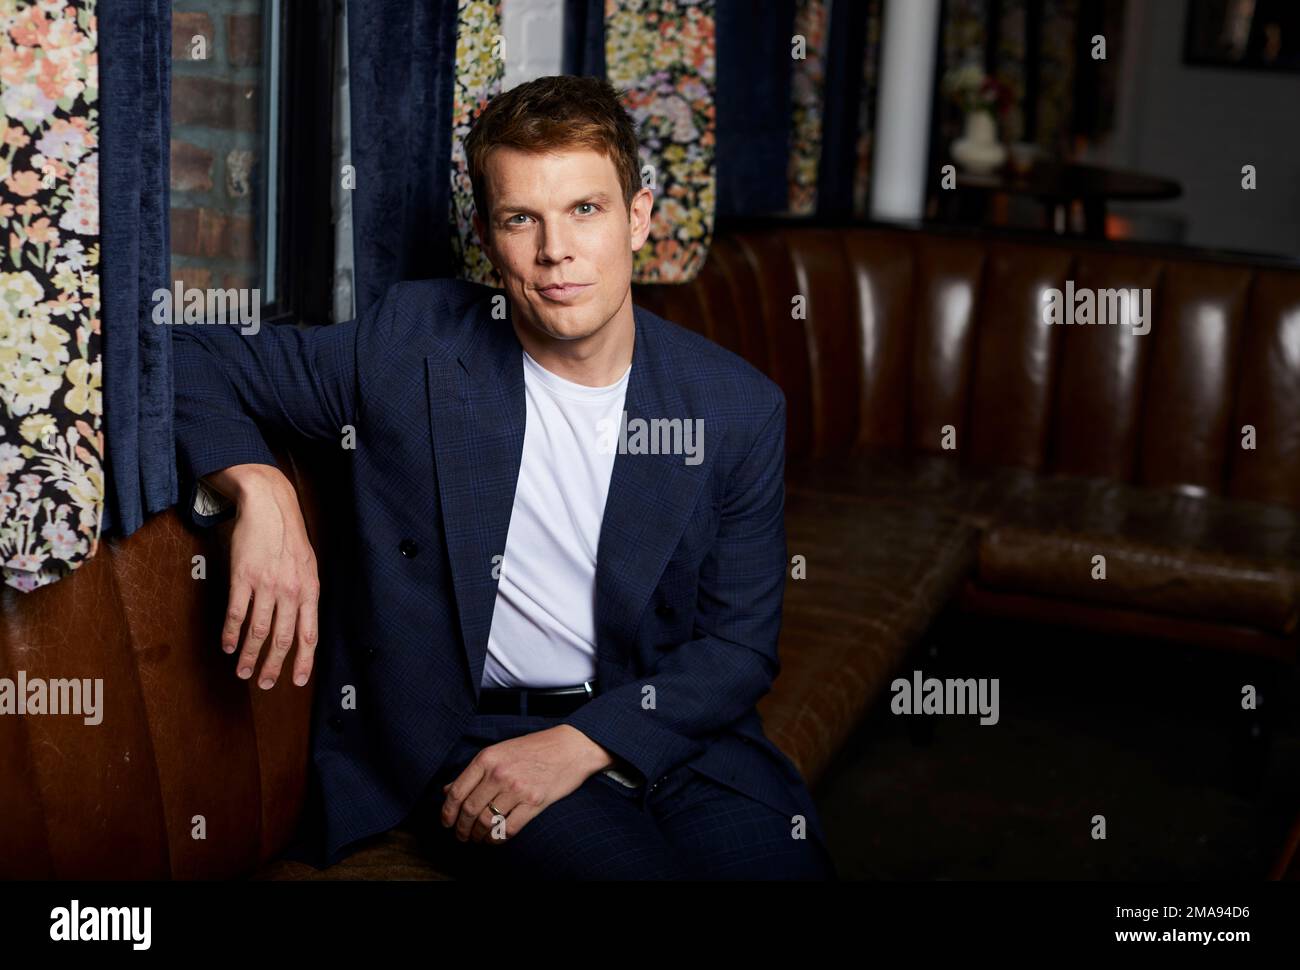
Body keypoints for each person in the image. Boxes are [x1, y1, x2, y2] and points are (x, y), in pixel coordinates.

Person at [172, 74, 835, 880]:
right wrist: (259, 489)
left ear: (640, 218)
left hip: (664, 729)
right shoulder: (409, 349)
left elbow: (737, 648)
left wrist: (586, 743)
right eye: (523, 218)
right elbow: (186, 357)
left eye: (585, 210)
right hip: (480, 737)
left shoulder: (734, 408)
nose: (556, 250)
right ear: (487, 235)